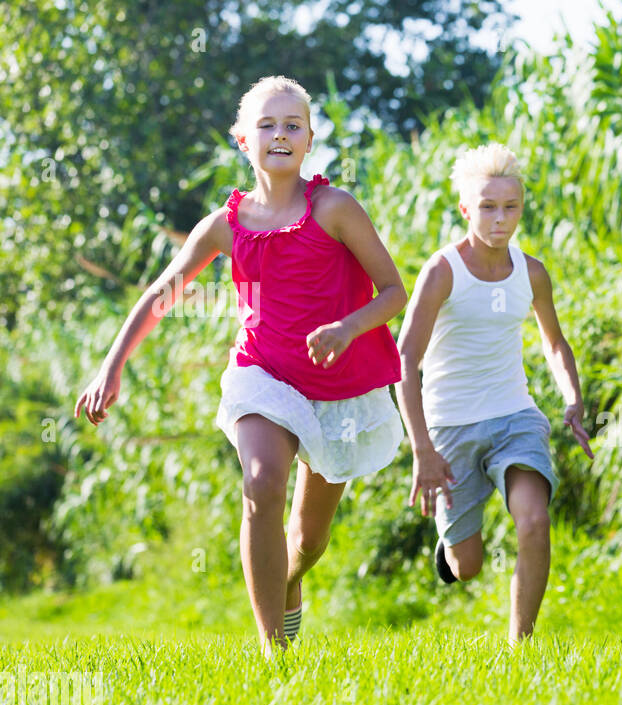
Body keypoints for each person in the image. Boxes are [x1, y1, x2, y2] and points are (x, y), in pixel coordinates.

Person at [74, 76, 408, 659]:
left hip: (337, 387)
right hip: (263, 376)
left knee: (308, 540)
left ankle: (291, 580)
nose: (280, 134)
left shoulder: (335, 209)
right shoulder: (224, 226)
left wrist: (347, 328)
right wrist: (113, 364)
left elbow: (393, 292)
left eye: (293, 126)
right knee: (261, 484)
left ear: (308, 142)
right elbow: (162, 293)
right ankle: (272, 652)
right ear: (242, 140)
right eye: (267, 125)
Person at [395, 143, 593, 648]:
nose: (500, 218)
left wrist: (571, 397)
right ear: (465, 209)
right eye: (487, 207)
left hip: (514, 417)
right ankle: (450, 547)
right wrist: (421, 448)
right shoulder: (442, 272)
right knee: (468, 567)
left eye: (510, 207)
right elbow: (405, 359)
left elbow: (554, 342)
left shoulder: (531, 273)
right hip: (449, 427)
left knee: (534, 520)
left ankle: (520, 646)